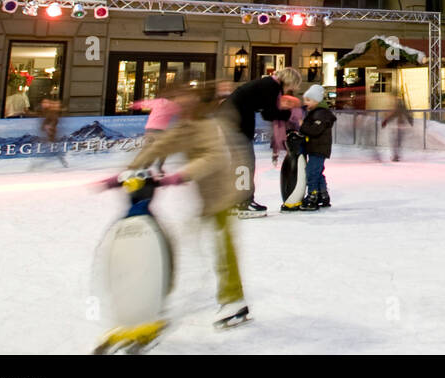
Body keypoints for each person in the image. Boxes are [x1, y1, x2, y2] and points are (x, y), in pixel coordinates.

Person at [117, 83, 251, 327]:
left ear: (197, 100)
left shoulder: (211, 124)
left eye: (185, 98)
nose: (180, 103)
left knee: (224, 250)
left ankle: (234, 300)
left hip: (222, 194)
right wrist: (129, 170)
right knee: (175, 247)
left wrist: (180, 175)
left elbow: (214, 157)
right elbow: (162, 145)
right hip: (205, 196)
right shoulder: (187, 125)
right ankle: (157, 301)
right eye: (177, 99)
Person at [222, 66, 302, 214]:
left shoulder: (268, 84)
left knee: (240, 161)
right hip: (235, 122)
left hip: (232, 120)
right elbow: (269, 113)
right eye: (293, 85)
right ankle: (243, 201)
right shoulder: (271, 86)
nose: (292, 89)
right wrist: (289, 115)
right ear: (290, 80)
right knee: (245, 161)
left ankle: (235, 200)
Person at [299, 84, 335, 209]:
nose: (305, 103)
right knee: (317, 172)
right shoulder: (316, 112)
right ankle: (323, 195)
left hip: (319, 148)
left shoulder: (321, 114)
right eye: (305, 100)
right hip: (315, 147)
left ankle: (312, 195)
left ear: (317, 101)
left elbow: (315, 130)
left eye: (308, 100)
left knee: (312, 172)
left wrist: (302, 125)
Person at [34, 98, 69, 168]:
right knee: (52, 148)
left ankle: (39, 164)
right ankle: (63, 161)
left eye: (45, 103)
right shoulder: (47, 111)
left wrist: (48, 127)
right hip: (48, 134)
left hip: (50, 134)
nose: (43, 104)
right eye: (43, 103)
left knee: (51, 149)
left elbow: (53, 121)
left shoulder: (52, 113)